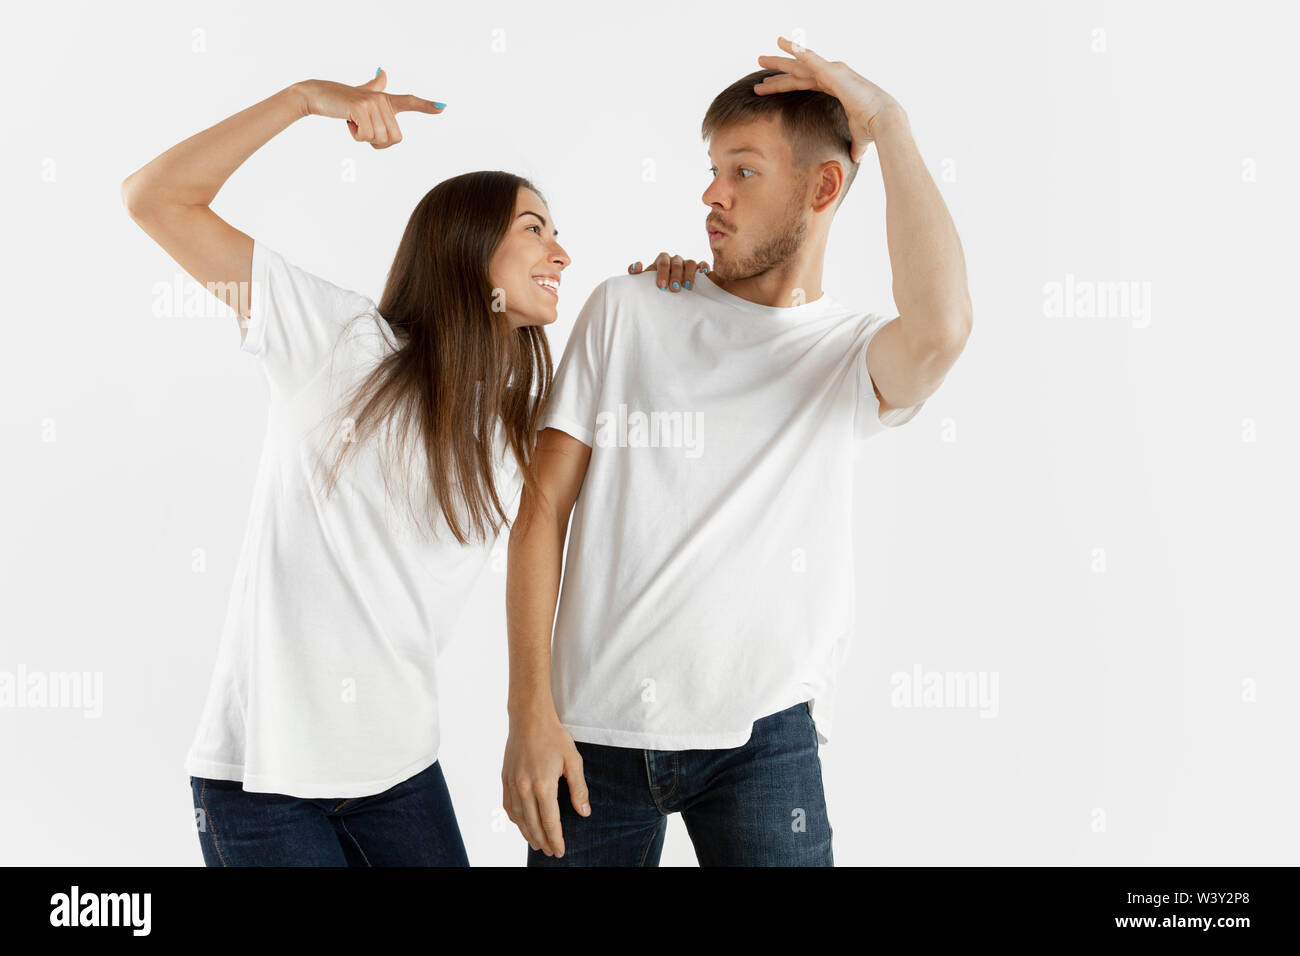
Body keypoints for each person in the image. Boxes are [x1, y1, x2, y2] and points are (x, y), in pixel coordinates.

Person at [122, 68, 694, 866]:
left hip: (400, 780)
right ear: (466, 247)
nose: (561, 252)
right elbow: (154, 198)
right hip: (264, 788)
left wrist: (669, 303)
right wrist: (303, 99)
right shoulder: (344, 344)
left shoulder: (519, 427)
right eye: (535, 228)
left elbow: (660, 463)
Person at [502, 38, 973, 866]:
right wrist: (529, 715)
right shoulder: (630, 308)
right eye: (713, 169)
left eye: (744, 172)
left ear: (823, 186)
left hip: (764, 744)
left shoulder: (846, 356)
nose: (712, 196)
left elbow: (941, 331)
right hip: (592, 741)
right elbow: (541, 512)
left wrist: (889, 124)